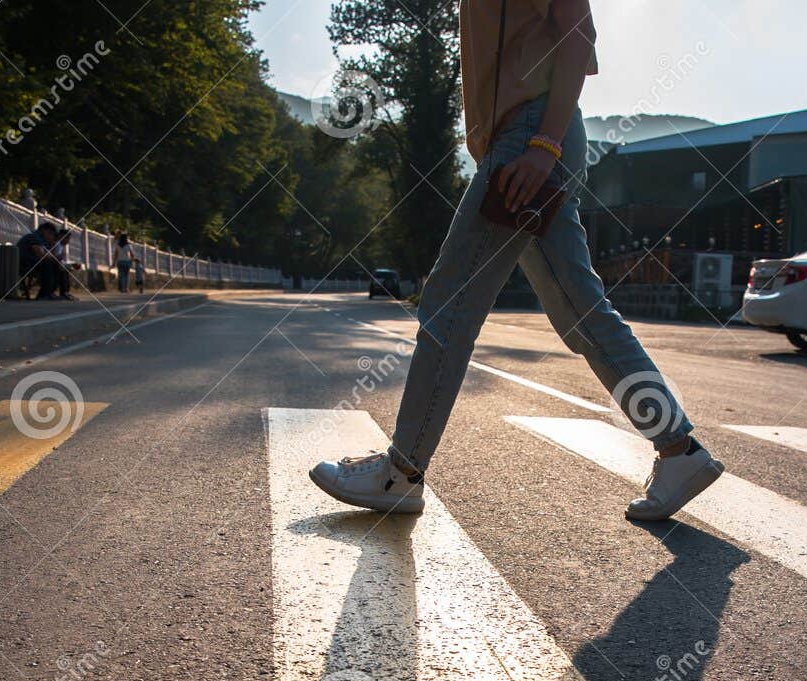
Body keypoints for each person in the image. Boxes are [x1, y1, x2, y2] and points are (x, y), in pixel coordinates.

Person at [310, 0, 723, 521]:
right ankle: (679, 450)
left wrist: (543, 144)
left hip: (530, 137)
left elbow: (576, 35)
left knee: (449, 308)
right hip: (524, 138)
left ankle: (402, 472)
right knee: (581, 313)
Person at [17, 222, 61, 300]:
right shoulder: (34, 237)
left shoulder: (42, 240)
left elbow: (48, 254)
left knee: (55, 264)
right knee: (48, 263)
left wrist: (52, 245)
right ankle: (44, 294)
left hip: (31, 263)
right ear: (44, 230)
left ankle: (53, 292)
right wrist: (52, 257)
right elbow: (41, 254)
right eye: (50, 234)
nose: (51, 237)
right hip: (24, 263)